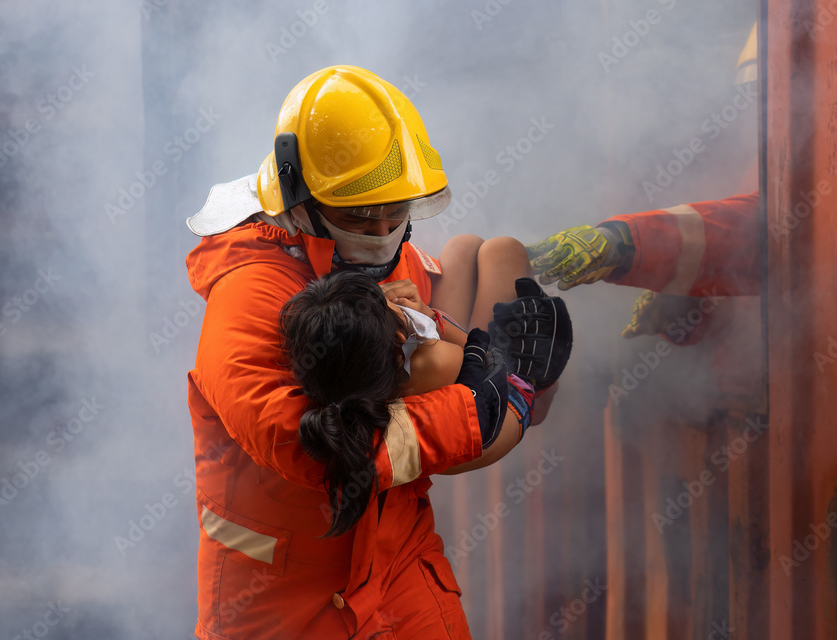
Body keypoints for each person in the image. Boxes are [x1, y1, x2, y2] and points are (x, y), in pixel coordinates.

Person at [184, 65, 571, 639]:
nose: (382, 232)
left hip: (398, 564)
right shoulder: (249, 291)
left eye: (397, 213)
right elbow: (311, 448)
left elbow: (441, 366)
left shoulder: (387, 256)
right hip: (282, 597)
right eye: (360, 216)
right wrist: (489, 404)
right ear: (299, 197)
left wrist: (517, 373)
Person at [279, 271, 540, 537]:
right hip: (511, 404)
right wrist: (429, 315)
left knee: (465, 252)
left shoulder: (345, 382)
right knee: (498, 257)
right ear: (399, 344)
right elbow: (482, 352)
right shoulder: (434, 360)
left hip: (458, 425)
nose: (407, 310)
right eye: (397, 310)